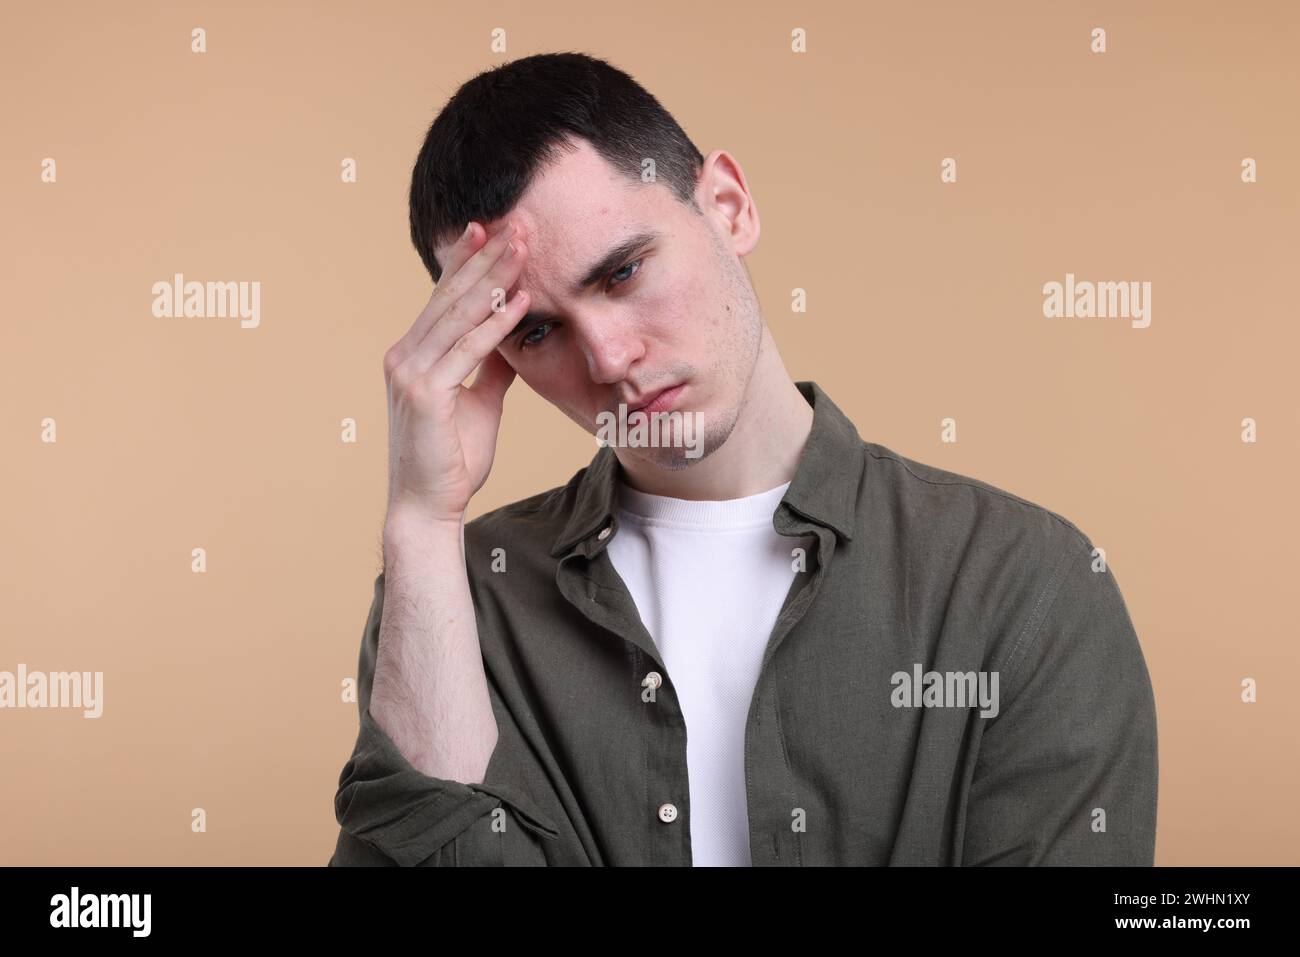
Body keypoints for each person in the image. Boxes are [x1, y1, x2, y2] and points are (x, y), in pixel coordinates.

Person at [329, 52, 1157, 866]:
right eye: (536, 332)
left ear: (727, 206)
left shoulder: (1023, 580)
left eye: (622, 272)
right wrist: (420, 522)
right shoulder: (458, 595)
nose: (610, 359)